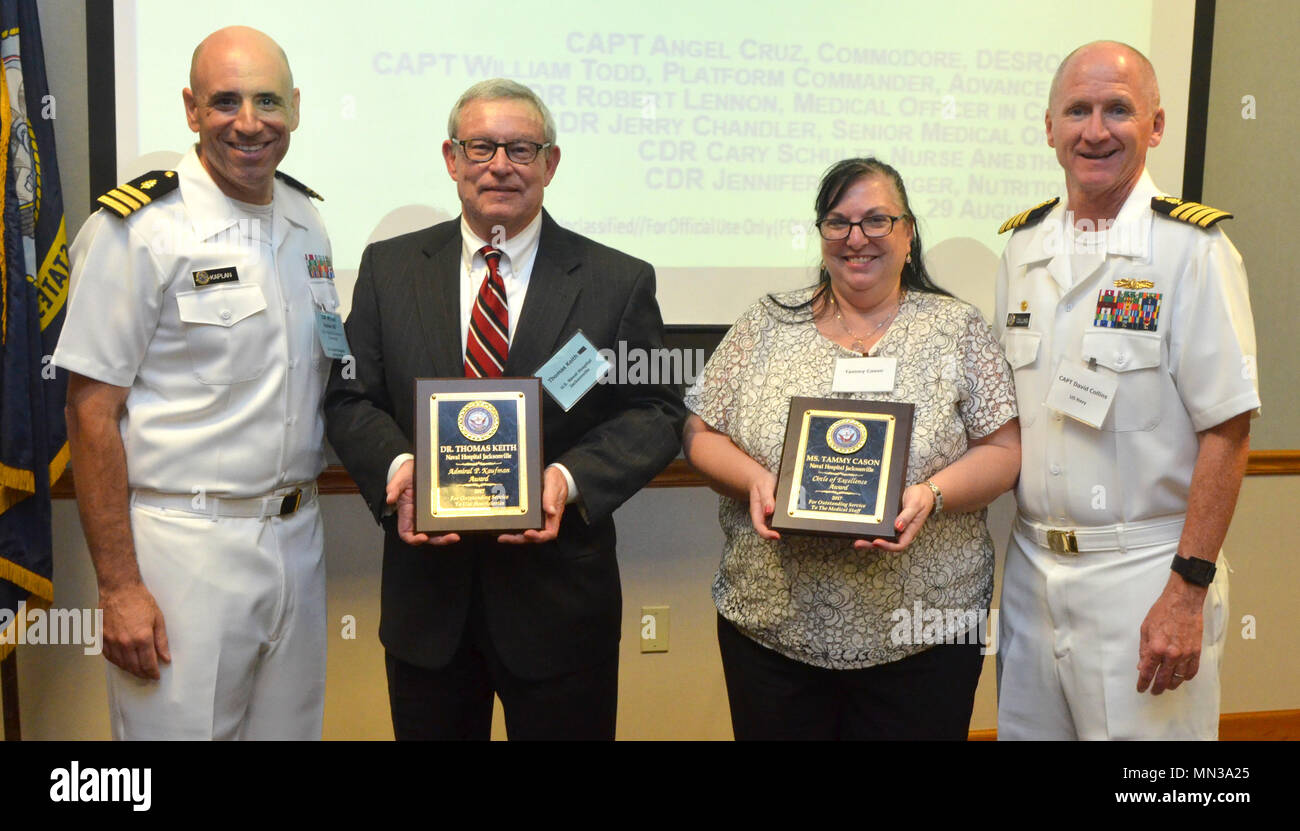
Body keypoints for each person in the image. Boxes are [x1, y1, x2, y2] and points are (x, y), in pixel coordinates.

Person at [324, 79, 684, 741]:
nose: (500, 165)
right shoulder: (388, 269)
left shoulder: (616, 280)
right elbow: (350, 397)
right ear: (451, 158)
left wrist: (568, 480)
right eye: (482, 146)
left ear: (550, 163)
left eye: (520, 148)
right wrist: (402, 468)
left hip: (560, 608)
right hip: (427, 607)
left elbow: (657, 409)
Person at [54, 27, 334, 739]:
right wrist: (119, 586)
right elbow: (91, 413)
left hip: (298, 543)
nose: (249, 122)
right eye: (225, 101)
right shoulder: (139, 229)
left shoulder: (309, 223)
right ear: (189, 108)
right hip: (185, 552)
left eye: (268, 100)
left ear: (296, 108)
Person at [682, 158, 1020, 740]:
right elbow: (699, 432)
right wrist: (755, 481)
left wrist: (930, 495)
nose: (855, 238)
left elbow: (1004, 449)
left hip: (922, 636)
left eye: (875, 221)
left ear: (908, 232)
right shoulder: (766, 323)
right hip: (773, 632)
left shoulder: (956, 328)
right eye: (837, 222)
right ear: (821, 236)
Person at [993, 41, 1259, 740]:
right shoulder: (1022, 249)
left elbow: (1227, 431)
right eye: (1076, 110)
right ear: (1049, 126)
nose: (1095, 129)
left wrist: (1186, 590)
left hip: (1144, 572)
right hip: (1031, 574)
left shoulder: (1192, 250)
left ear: (1157, 126)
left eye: (1118, 109)